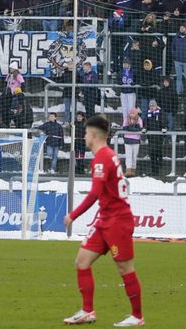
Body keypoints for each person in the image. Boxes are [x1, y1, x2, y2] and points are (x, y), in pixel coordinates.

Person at [61, 114, 143, 328]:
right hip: (105, 219)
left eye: (87, 133)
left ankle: (137, 316)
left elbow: (95, 192)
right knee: (82, 261)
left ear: (94, 134)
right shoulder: (107, 155)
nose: (85, 137)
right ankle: (88, 311)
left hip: (117, 221)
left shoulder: (102, 158)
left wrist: (73, 215)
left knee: (125, 268)